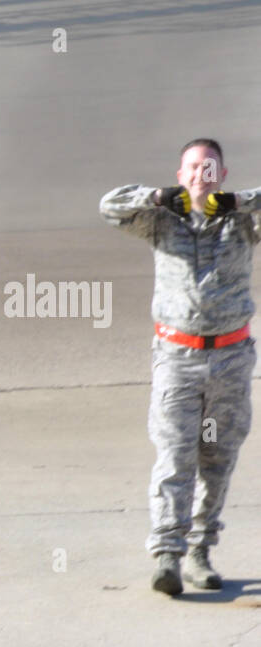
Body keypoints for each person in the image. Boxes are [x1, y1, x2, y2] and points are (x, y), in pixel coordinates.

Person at [100, 139, 261, 595]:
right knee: (175, 456)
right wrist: (154, 197)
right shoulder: (161, 220)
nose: (200, 176)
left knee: (216, 458)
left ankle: (199, 550)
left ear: (223, 175)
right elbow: (109, 207)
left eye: (210, 169)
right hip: (178, 360)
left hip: (229, 360)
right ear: (181, 172)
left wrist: (240, 201)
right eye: (193, 168)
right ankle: (166, 556)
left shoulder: (243, 221)